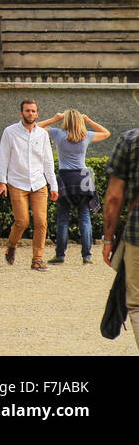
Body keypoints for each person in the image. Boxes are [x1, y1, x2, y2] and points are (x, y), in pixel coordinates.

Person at [0, 99, 59, 271]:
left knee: (41, 221)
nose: (30, 113)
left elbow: (48, 162)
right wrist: (1, 182)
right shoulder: (10, 132)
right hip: (17, 183)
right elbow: (3, 158)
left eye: (33, 111)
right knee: (22, 221)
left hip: (39, 184)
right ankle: (11, 245)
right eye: (27, 110)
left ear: (37, 114)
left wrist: (53, 185)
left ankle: (37, 259)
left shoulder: (43, 134)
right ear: (21, 113)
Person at [41, 109, 110, 262]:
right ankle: (87, 256)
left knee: (63, 218)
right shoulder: (86, 136)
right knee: (85, 217)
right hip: (83, 176)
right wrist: (89, 120)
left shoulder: (58, 134)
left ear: (65, 121)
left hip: (65, 176)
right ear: (80, 121)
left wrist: (54, 118)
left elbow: (34, 127)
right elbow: (106, 133)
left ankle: (60, 255)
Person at [102, 125, 139, 352]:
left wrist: (109, 240)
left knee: (137, 303)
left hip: (138, 232)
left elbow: (114, 197)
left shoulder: (130, 140)